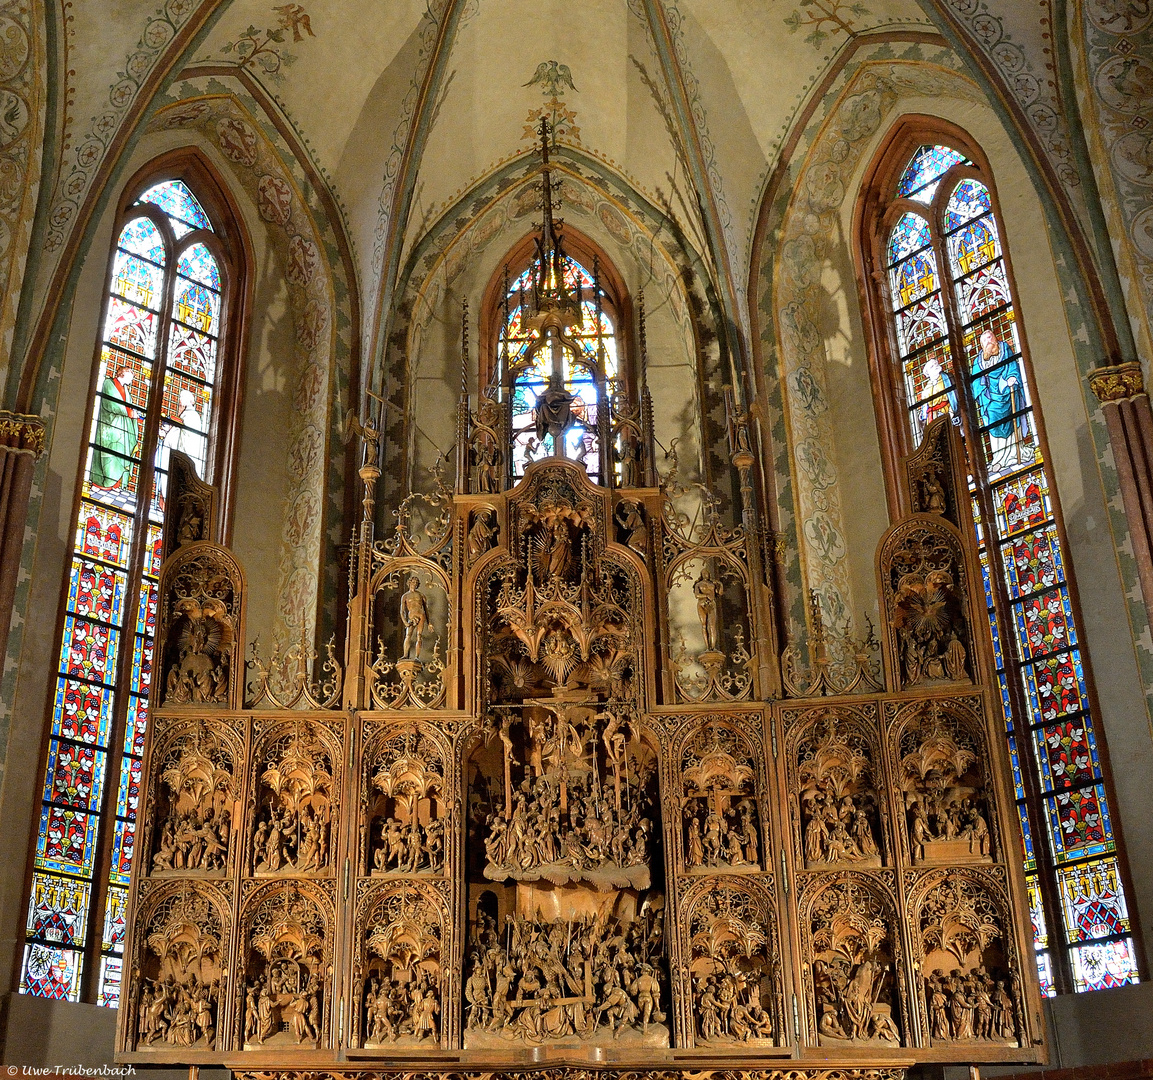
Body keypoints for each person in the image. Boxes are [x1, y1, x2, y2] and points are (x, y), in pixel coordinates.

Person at [970, 329, 1033, 476]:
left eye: (990, 337)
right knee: (991, 415)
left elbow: (1012, 367)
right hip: (991, 399)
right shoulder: (977, 362)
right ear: (981, 345)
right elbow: (976, 384)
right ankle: (999, 458)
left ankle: (1016, 452)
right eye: (985, 340)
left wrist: (1012, 378)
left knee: (1013, 413)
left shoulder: (1005, 349)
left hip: (1008, 393)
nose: (989, 341)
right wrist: (983, 387)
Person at [90, 366, 141, 489]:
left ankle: (115, 484)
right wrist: (129, 413)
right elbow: (110, 403)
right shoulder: (109, 383)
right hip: (109, 427)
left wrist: (133, 414)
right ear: (122, 374)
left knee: (120, 455)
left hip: (122, 430)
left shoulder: (125, 389)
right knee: (108, 455)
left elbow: (128, 406)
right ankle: (101, 483)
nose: (131, 380)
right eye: (130, 377)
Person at [400, 575, 430, 660]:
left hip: (421, 615)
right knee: (408, 635)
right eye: (413, 582)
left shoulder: (421, 595)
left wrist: (429, 623)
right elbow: (402, 611)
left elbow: (426, 609)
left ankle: (417, 657)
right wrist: (405, 622)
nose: (414, 584)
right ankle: (405, 655)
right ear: (409, 583)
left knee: (419, 635)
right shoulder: (405, 596)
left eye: (416, 583)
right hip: (411, 616)